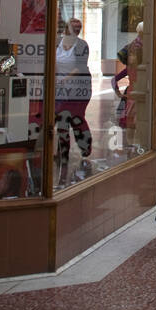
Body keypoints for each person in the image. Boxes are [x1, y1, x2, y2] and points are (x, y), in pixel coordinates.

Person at [54, 18, 93, 185]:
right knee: (62, 119)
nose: (76, 30)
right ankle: (63, 152)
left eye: (79, 28)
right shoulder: (57, 43)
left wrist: (65, 79)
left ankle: (85, 146)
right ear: (66, 29)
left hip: (79, 87)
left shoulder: (82, 45)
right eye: (73, 27)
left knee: (76, 118)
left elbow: (81, 66)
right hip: (61, 89)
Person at [112, 21, 143, 136]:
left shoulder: (132, 67)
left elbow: (114, 80)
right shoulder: (136, 68)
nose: (132, 55)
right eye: (131, 54)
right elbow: (114, 80)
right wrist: (119, 94)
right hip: (133, 98)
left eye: (134, 54)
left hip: (132, 97)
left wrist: (119, 93)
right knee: (132, 129)